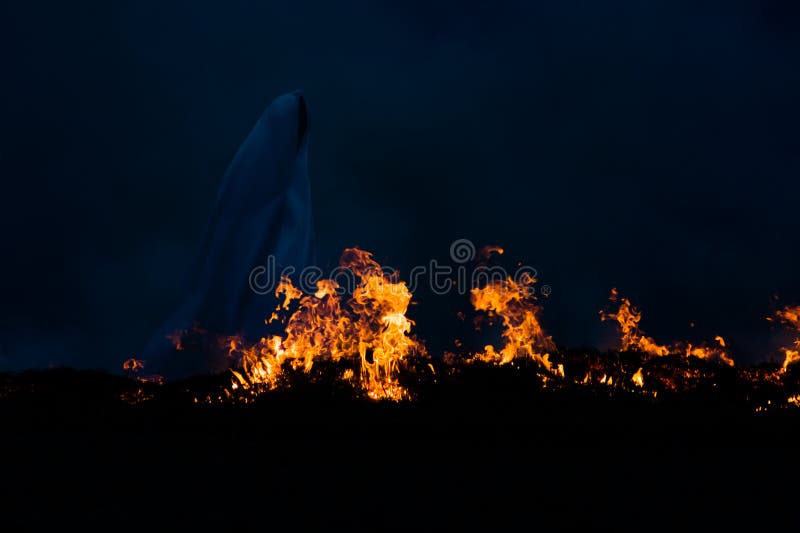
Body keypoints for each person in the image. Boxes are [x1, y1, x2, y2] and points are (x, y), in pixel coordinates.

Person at [142, 91, 316, 378]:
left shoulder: (297, 183)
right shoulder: (250, 178)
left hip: (277, 286)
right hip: (243, 273)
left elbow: (298, 241)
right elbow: (234, 235)